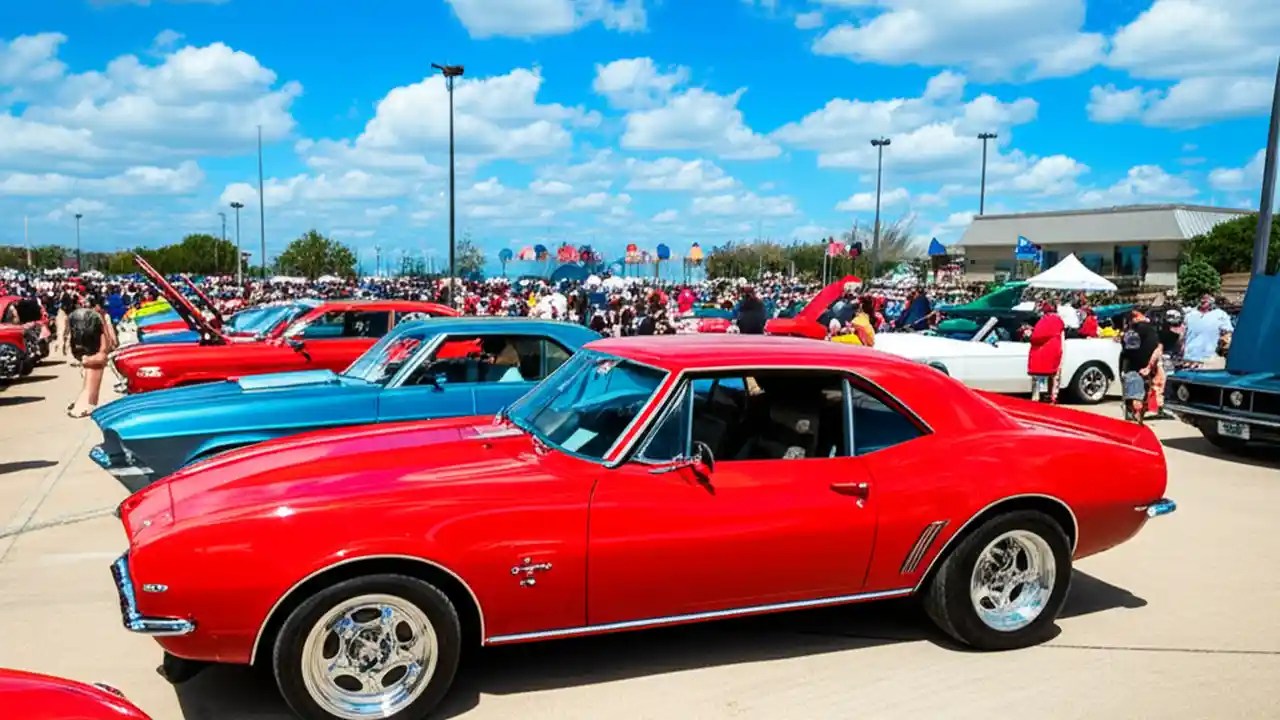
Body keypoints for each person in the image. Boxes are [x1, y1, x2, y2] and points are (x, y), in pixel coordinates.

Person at [67, 295, 118, 418]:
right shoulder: (98, 317)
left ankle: (82, 404)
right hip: (97, 353)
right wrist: (111, 345)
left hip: (87, 353)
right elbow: (108, 338)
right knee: (92, 381)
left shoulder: (82, 318)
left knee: (88, 381)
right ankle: (84, 406)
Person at [1118, 309, 1162, 425]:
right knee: (1136, 403)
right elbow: (1158, 350)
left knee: (1134, 404)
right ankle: (1136, 425)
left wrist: (1148, 366)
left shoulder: (1140, 329)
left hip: (1134, 370)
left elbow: (1157, 350)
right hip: (1138, 370)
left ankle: (1135, 427)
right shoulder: (1148, 329)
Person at [1181, 294, 1232, 369]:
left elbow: (1228, 334)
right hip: (1189, 359)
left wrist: (1224, 343)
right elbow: (1182, 335)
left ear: (1213, 300)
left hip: (1210, 360)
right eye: (1202, 297)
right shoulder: (1189, 314)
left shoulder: (1220, 315)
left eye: (1207, 297)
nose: (1204, 299)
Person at [1027, 301, 1065, 403]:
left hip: (1039, 352)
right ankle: (1052, 396)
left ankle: (1035, 397)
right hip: (1054, 351)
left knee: (1037, 377)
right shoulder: (1059, 321)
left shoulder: (1042, 321)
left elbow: (1035, 337)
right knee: (1053, 375)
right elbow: (1061, 338)